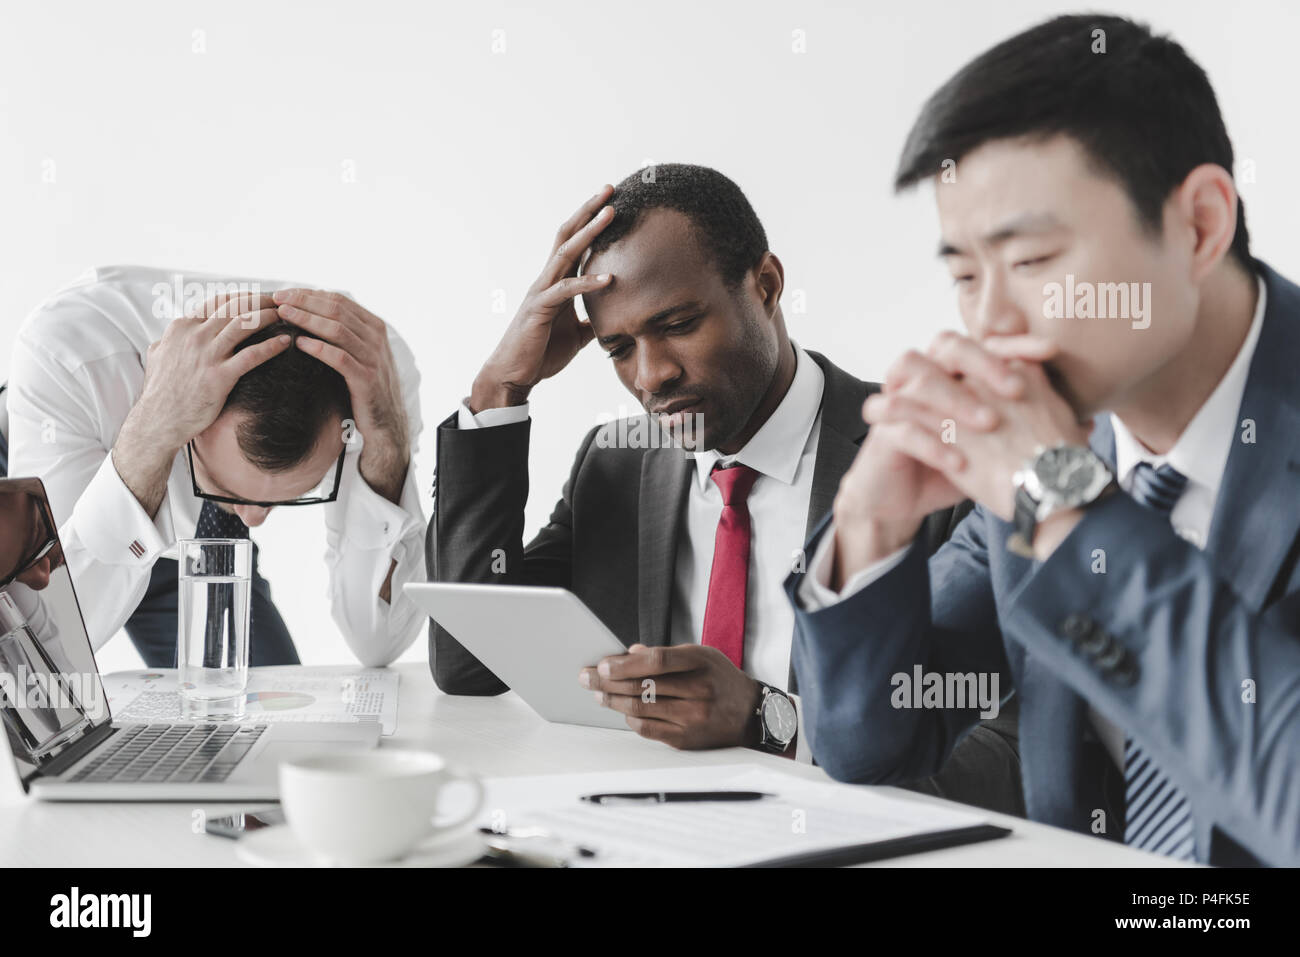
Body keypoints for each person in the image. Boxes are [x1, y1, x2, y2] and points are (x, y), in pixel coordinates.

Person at [788, 14, 1299, 865]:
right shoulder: (1056, 442)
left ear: (1200, 225)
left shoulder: (1046, 468)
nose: (989, 320)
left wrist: (1064, 499)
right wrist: (869, 530)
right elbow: (875, 744)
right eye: (962, 275)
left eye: (1030, 261)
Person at [428, 164, 1022, 813]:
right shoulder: (617, 464)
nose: (651, 375)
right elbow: (468, 661)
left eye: (679, 324)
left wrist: (767, 719)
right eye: (619, 348)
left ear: (765, 285)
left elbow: (1007, 756)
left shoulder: (929, 460)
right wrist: (498, 393)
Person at [6, 265, 426, 668]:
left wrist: (388, 448)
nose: (253, 520)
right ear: (191, 430)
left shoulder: (369, 371)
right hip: (40, 489)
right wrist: (151, 427)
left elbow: (379, 640)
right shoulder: (71, 351)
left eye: (287, 498)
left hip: (197, 540)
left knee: (260, 709)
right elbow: (44, 648)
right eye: (232, 494)